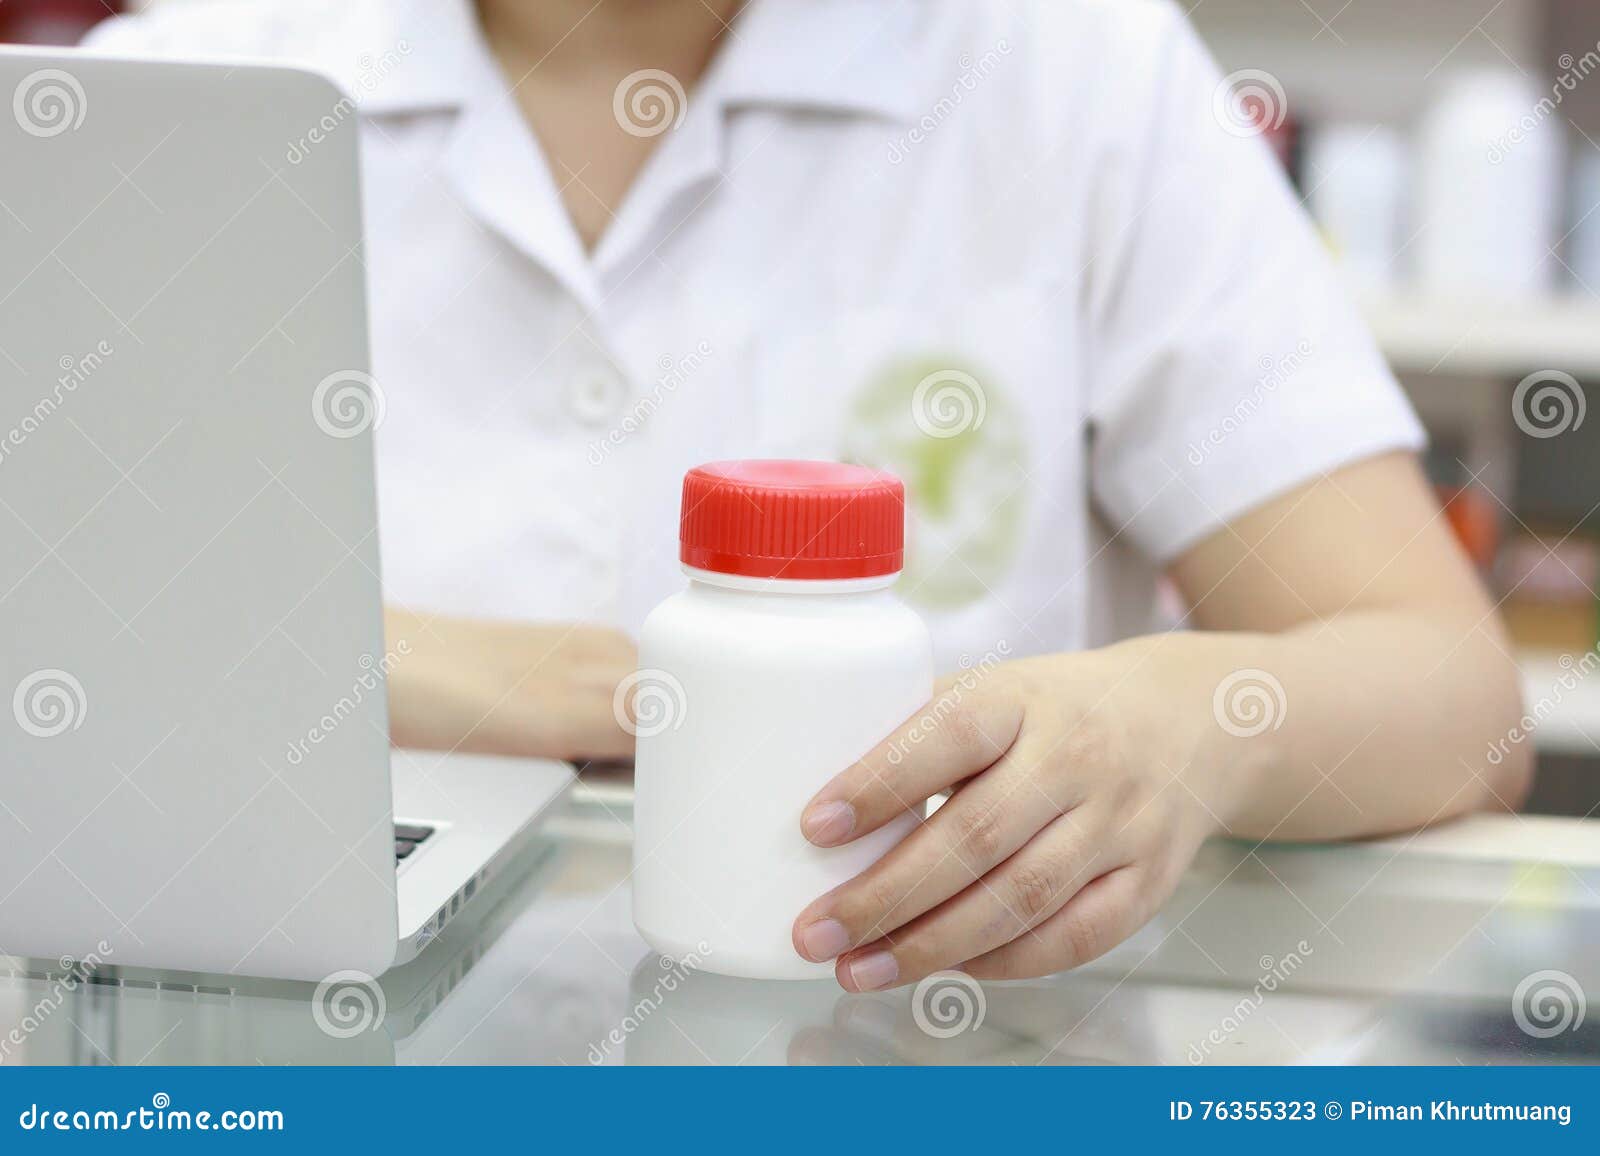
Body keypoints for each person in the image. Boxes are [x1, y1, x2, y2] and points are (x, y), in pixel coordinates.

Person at [85, 0, 1530, 993]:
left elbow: (1455, 701)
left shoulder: (1067, 66)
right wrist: (377, 660)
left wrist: (1190, 725)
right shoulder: (179, 79)